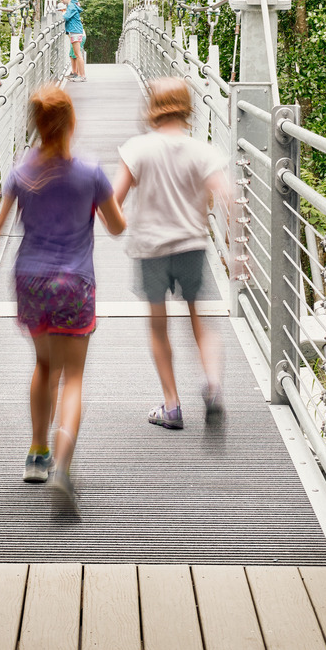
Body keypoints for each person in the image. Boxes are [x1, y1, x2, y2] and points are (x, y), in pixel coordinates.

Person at [0, 82, 124, 515]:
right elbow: (117, 227)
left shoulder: (21, 173)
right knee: (73, 378)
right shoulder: (91, 172)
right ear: (71, 123)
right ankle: (62, 467)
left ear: (36, 124)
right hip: (74, 283)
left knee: (44, 366)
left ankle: (36, 455)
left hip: (31, 282)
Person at [111, 78, 229, 429]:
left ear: (152, 108)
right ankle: (212, 383)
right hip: (192, 246)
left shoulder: (136, 149)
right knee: (199, 321)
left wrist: (119, 223)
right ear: (187, 107)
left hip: (150, 250)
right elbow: (230, 197)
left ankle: (172, 406)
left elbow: (113, 202)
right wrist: (237, 250)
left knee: (158, 327)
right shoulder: (202, 151)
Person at [59, 0, 88, 79]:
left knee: (78, 55)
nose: (62, 1)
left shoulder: (71, 6)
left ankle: (82, 76)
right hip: (75, 31)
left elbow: (66, 17)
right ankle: (79, 75)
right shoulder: (71, 5)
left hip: (76, 32)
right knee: (76, 54)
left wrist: (62, 13)